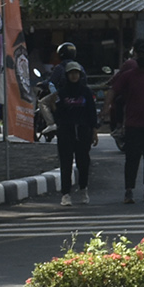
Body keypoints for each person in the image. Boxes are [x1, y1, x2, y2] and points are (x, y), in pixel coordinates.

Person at [105, 40, 144, 205]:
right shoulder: (128, 75)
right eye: (141, 54)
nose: (143, 57)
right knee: (132, 160)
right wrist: (106, 108)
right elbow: (113, 89)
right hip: (133, 124)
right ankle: (129, 191)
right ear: (136, 55)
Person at [53, 61, 99, 205]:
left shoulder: (86, 92)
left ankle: (83, 189)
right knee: (66, 163)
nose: (74, 76)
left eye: (76, 73)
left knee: (83, 162)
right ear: (67, 75)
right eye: (71, 73)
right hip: (66, 131)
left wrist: (94, 131)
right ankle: (66, 194)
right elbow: (56, 112)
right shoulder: (61, 93)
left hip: (83, 131)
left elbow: (92, 112)